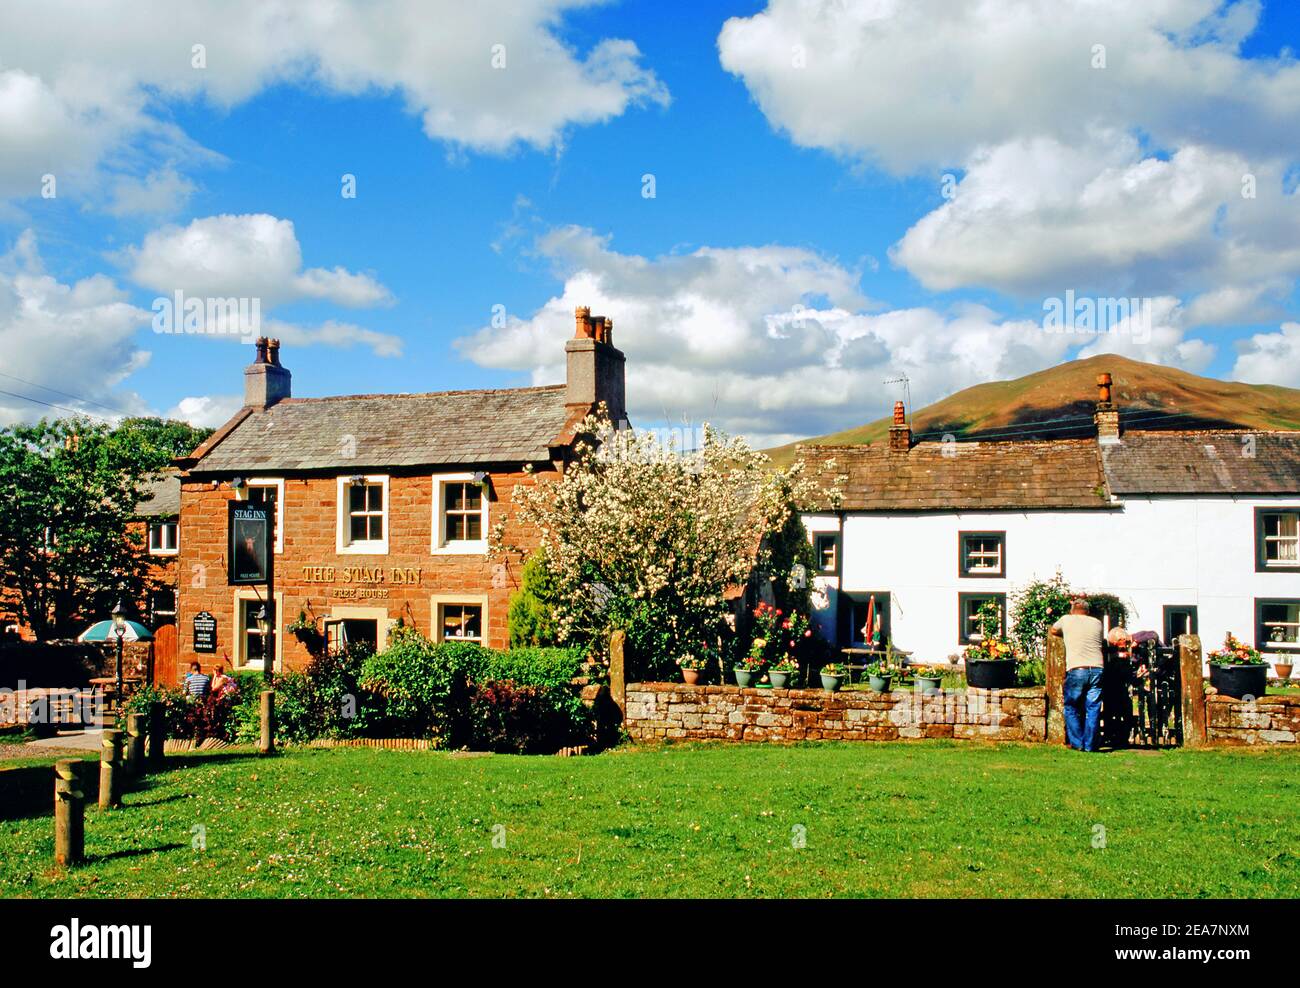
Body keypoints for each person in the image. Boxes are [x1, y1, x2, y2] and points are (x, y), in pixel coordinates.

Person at [1049, 596, 1106, 752]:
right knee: (1093, 708)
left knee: (1071, 706)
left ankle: (1077, 743)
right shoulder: (1097, 623)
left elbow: (1053, 630)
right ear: (1087, 611)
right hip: (1097, 668)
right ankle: (1090, 745)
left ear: (1072, 610)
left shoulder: (1066, 619)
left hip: (1077, 668)